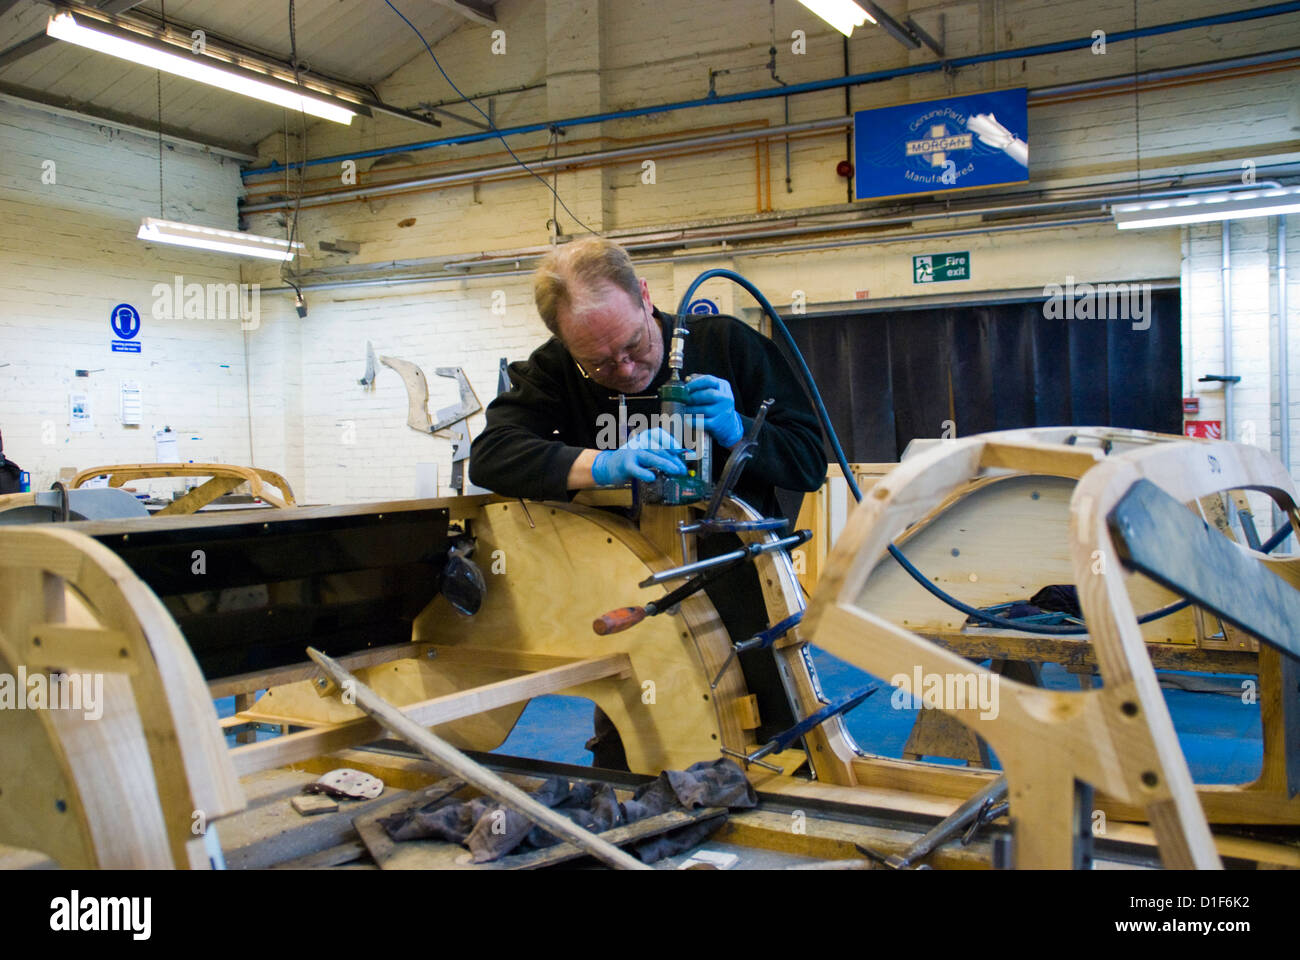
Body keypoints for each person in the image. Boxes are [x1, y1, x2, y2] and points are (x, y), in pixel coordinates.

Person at [468, 237, 827, 767]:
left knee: (777, 749)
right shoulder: (554, 370)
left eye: (634, 345)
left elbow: (809, 462)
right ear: (567, 345)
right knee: (631, 759)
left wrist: (739, 430)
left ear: (644, 295)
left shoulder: (729, 346)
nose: (627, 367)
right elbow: (491, 455)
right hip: (628, 599)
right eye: (600, 364)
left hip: (742, 589)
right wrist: (600, 464)